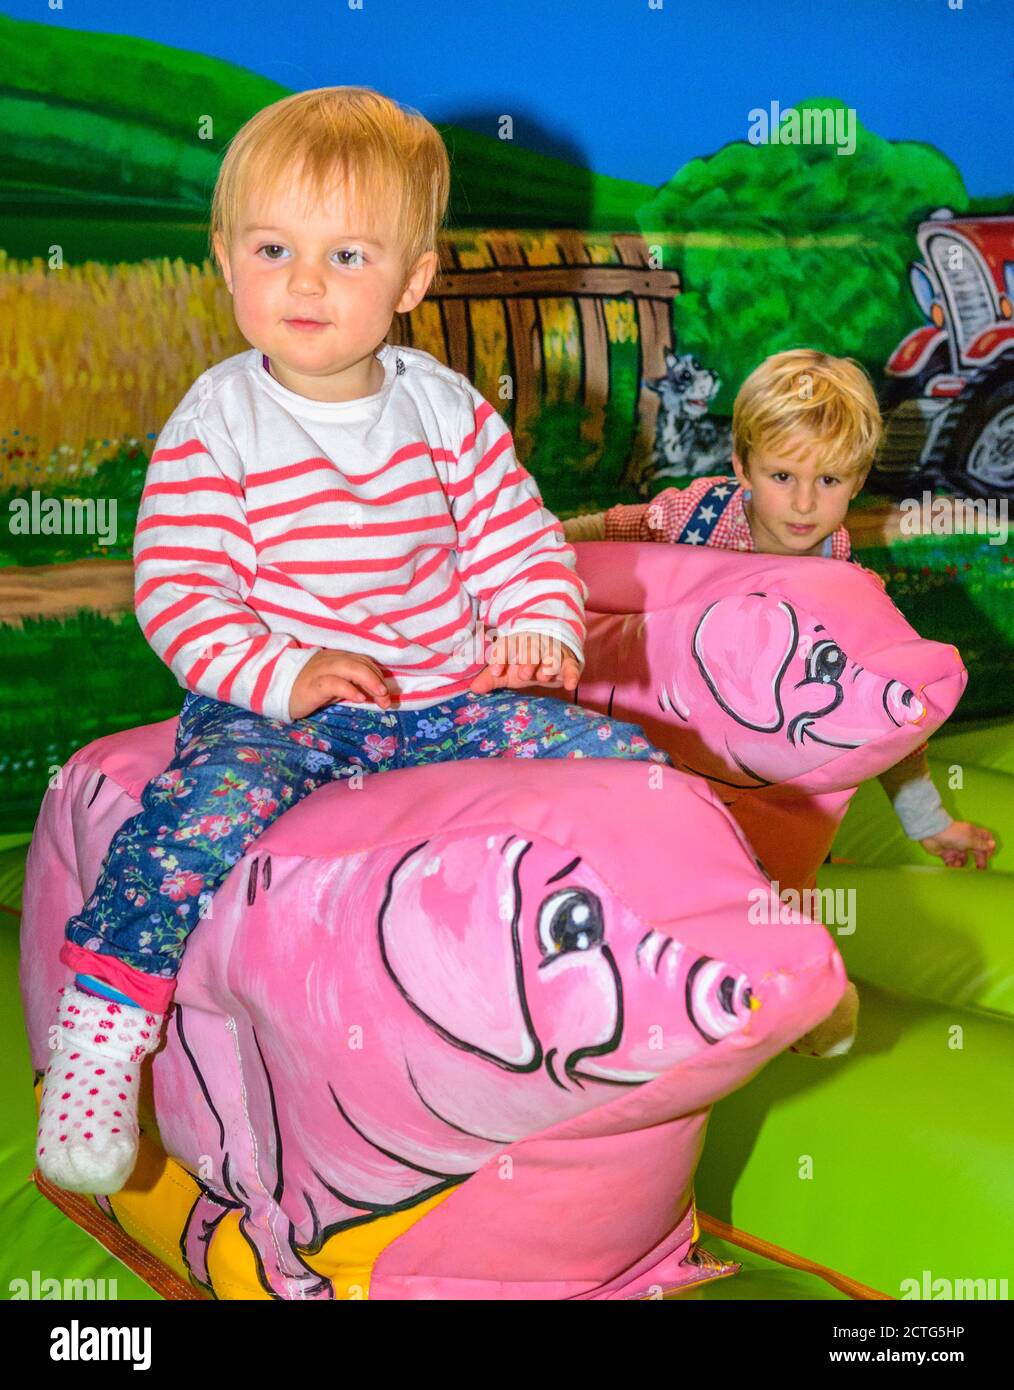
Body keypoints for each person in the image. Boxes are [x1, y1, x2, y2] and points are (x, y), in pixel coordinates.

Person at [35, 87, 672, 1195]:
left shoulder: (444, 409)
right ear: (224, 258)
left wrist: (535, 622)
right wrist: (284, 674)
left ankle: (705, 949)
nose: (304, 283)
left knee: (627, 767)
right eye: (273, 249)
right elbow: (180, 592)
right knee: (193, 823)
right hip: (273, 716)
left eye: (345, 256)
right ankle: (103, 1025)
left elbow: (516, 536)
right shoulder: (218, 423)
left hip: (443, 697)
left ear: (411, 280)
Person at [564, 349, 997, 873]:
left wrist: (927, 821)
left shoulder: (847, 593)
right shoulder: (698, 516)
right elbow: (598, 532)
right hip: (655, 738)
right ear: (743, 467)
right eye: (782, 477)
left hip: (757, 782)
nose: (804, 503)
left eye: (829, 480)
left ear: (859, 479)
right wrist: (526, 550)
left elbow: (884, 713)